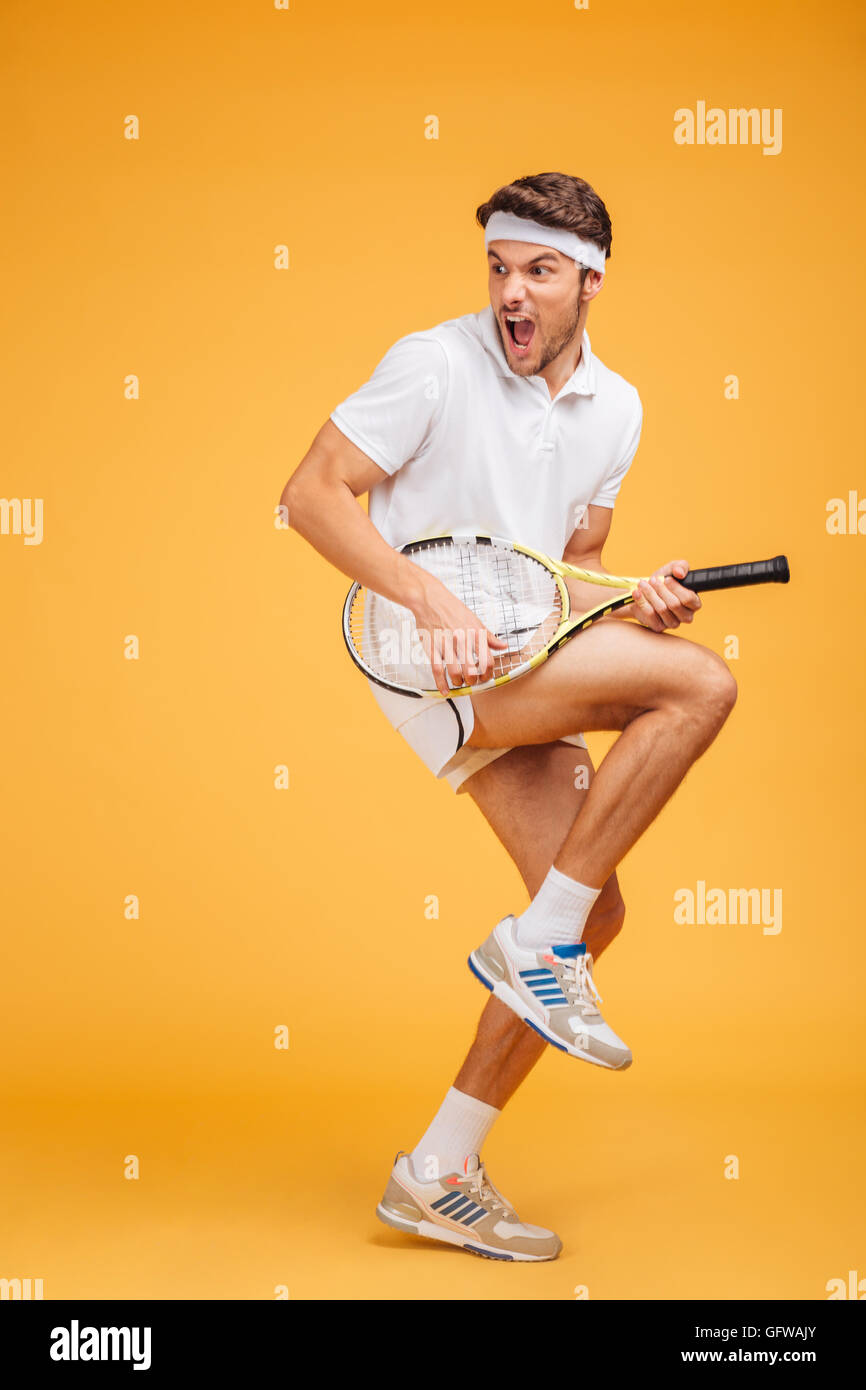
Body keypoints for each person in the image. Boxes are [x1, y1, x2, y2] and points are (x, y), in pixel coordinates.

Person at [281, 171, 737, 1262]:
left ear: (588, 281)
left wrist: (636, 597)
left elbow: (568, 570)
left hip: (520, 652)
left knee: (589, 913)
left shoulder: (614, 407)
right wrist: (426, 600)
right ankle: (533, 949)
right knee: (701, 684)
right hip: (419, 658)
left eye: (536, 271)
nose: (510, 294)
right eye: (497, 268)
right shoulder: (432, 364)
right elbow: (308, 494)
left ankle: (435, 1169)